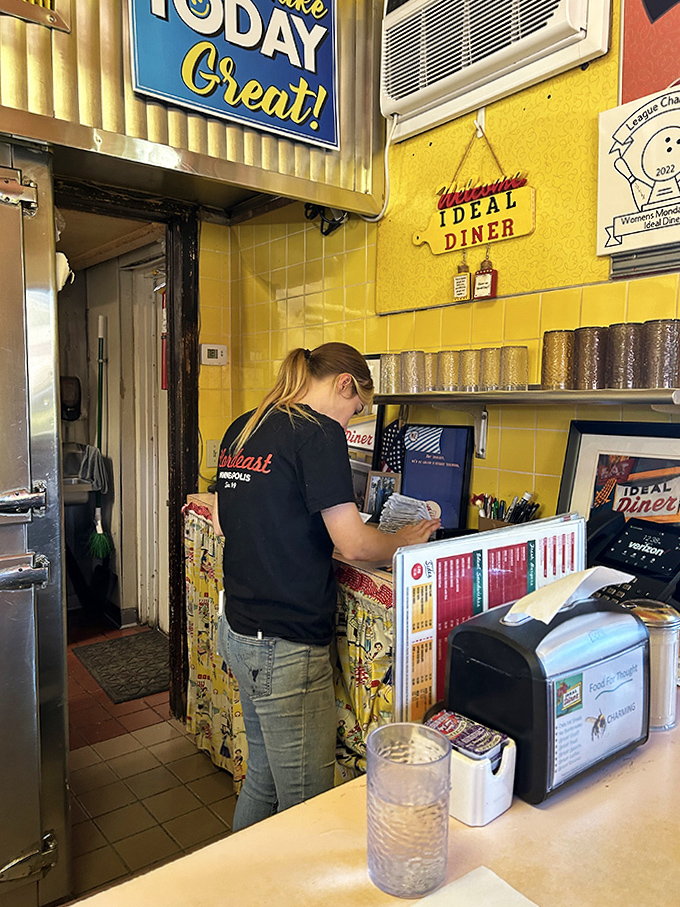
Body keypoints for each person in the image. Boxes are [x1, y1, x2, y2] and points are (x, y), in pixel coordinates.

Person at [212, 342, 440, 831]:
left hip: (240, 629)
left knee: (263, 781)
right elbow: (354, 544)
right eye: (356, 409)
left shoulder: (246, 425)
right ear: (344, 384)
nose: (351, 421)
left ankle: (242, 874)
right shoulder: (318, 432)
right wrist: (402, 541)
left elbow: (230, 520)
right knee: (306, 806)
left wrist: (301, 535)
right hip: (284, 644)